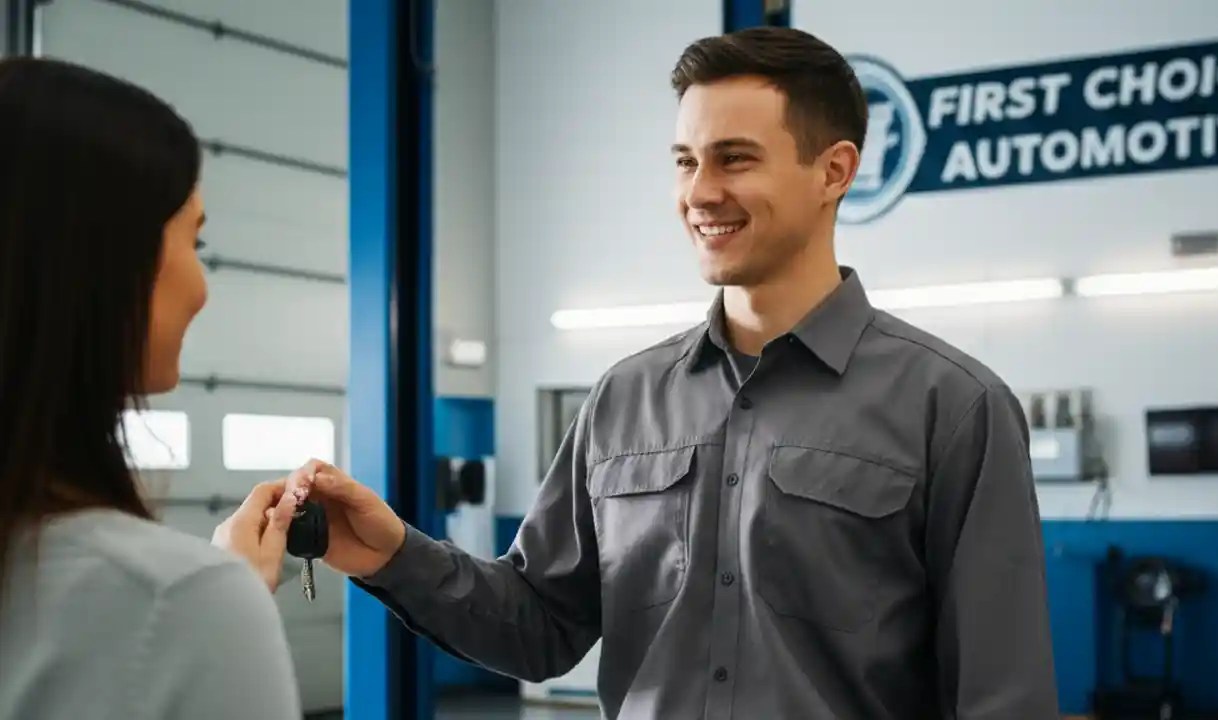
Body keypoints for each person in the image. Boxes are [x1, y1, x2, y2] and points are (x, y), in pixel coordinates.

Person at [286, 27, 1059, 719]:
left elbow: (1001, 698)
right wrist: (391, 553)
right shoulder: (624, 400)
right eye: (686, 161)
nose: (699, 193)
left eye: (735, 159)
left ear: (834, 171)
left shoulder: (953, 409)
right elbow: (539, 626)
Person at [0, 57, 302, 720]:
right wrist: (215, 604)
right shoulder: (180, 604)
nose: (202, 288)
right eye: (195, 242)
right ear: (103, 262)